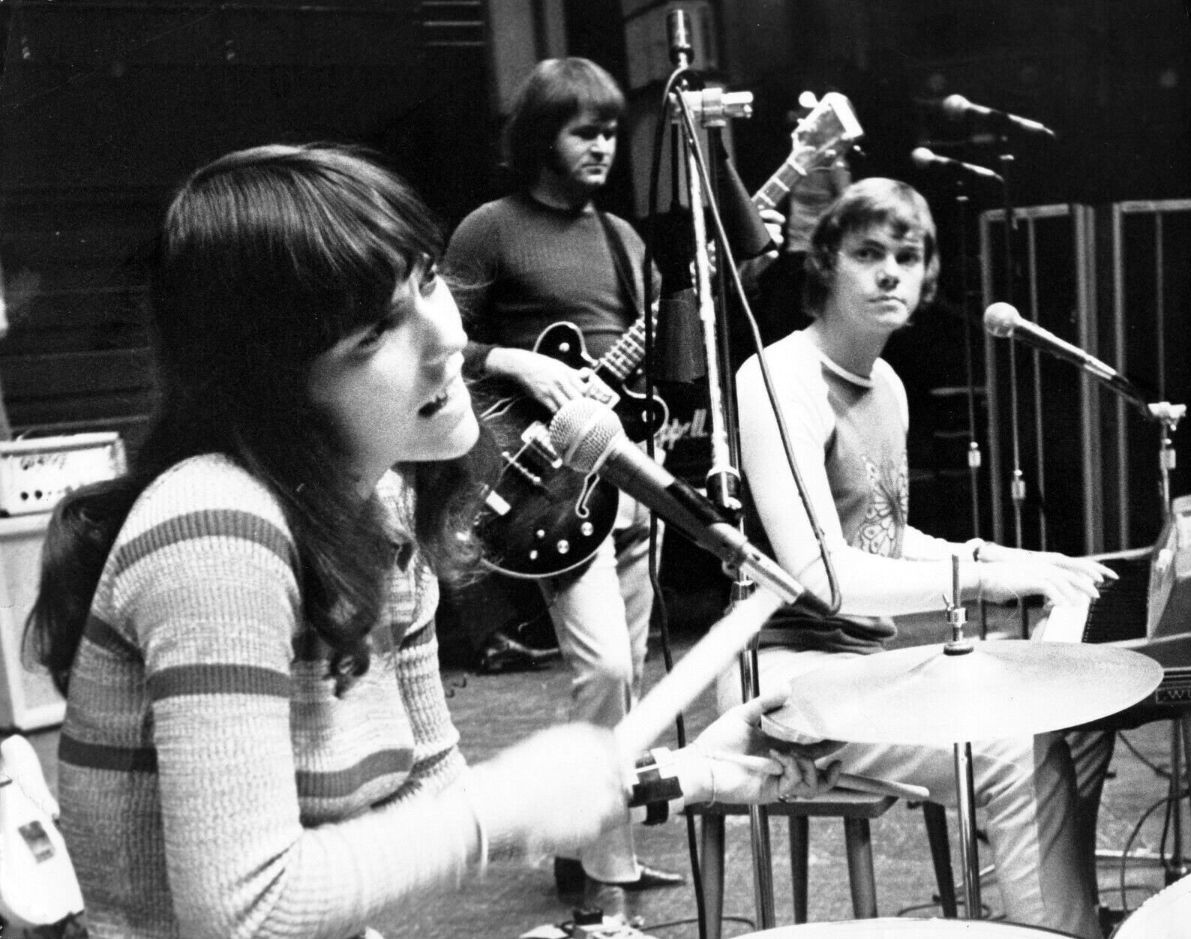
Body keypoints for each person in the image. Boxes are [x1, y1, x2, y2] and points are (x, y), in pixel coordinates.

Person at [24, 143, 840, 939]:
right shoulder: (216, 528)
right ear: (274, 384)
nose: (447, 338)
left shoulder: (382, 512)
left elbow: (439, 801)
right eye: (376, 330)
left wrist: (689, 772)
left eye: (426, 281)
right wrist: (505, 800)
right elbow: (243, 910)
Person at [733, 177, 1115, 939]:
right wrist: (983, 577)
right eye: (868, 254)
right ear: (826, 263)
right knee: (1015, 750)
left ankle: (1049, 916)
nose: (889, 274)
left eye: (906, 258)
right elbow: (823, 575)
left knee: (1082, 719)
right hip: (786, 674)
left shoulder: (887, 384)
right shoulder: (778, 378)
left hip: (869, 664)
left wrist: (1002, 554)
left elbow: (881, 534)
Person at [443, 58, 678, 915]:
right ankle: (606, 867)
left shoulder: (624, 240)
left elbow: (653, 353)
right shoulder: (489, 230)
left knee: (621, 679)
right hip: (548, 482)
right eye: (586, 131)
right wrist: (516, 361)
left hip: (628, 469)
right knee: (606, 665)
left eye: (612, 132)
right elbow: (434, 344)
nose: (604, 147)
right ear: (544, 135)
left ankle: (582, 846)